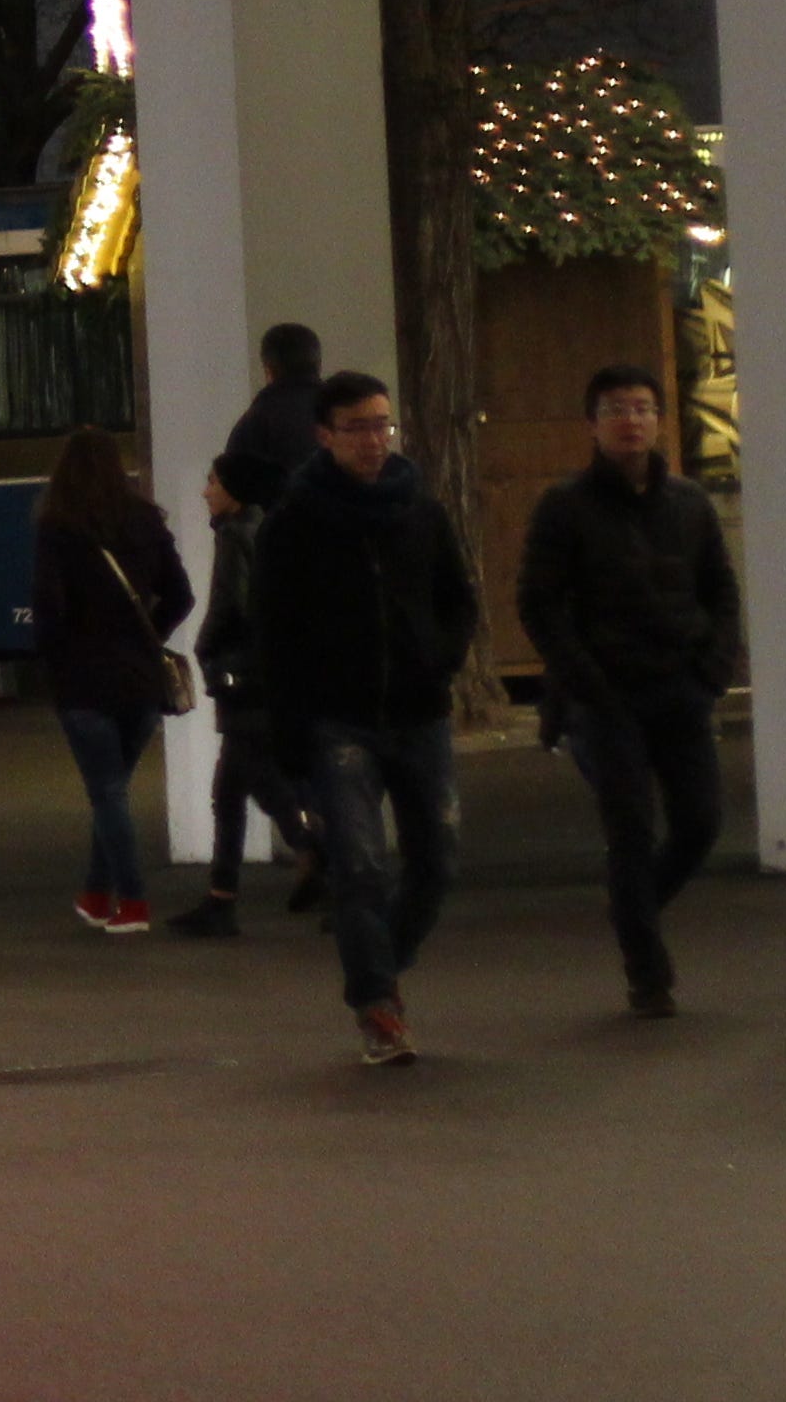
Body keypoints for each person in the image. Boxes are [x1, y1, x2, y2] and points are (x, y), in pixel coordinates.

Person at [248, 368, 477, 1068]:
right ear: (326, 436)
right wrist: (289, 735)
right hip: (335, 718)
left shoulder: (420, 511)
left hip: (418, 710)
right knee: (360, 865)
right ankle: (377, 1004)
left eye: (383, 425)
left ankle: (381, 964)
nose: (374, 440)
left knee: (437, 860)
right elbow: (274, 635)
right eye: (358, 428)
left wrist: (437, 660)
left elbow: (457, 600)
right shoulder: (293, 526)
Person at [515, 360, 740, 1016]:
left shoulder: (690, 504)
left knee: (701, 822)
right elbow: (539, 603)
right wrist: (583, 680)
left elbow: (721, 589)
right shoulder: (565, 506)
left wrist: (714, 669)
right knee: (631, 827)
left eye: (642, 408)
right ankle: (648, 968)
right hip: (606, 695)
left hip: (682, 686)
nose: (631, 420)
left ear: (659, 420)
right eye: (616, 409)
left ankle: (632, 906)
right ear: (593, 424)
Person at [30, 425, 196, 934]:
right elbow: (181, 595)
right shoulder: (147, 520)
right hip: (140, 679)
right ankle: (97, 895)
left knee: (108, 793)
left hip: (85, 681)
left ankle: (133, 902)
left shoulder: (59, 526)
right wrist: (150, 633)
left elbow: (49, 610)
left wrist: (57, 662)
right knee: (113, 790)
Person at [179, 452, 315, 938]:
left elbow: (228, 604)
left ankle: (311, 853)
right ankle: (224, 896)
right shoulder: (263, 530)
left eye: (212, 481)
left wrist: (205, 647)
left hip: (243, 676)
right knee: (236, 787)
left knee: (243, 784)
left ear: (232, 489)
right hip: (266, 675)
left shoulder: (236, 536)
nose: (205, 491)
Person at [223, 325, 330, 479]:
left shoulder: (252, 424)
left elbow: (233, 489)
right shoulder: (344, 412)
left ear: (268, 370)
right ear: (318, 364)